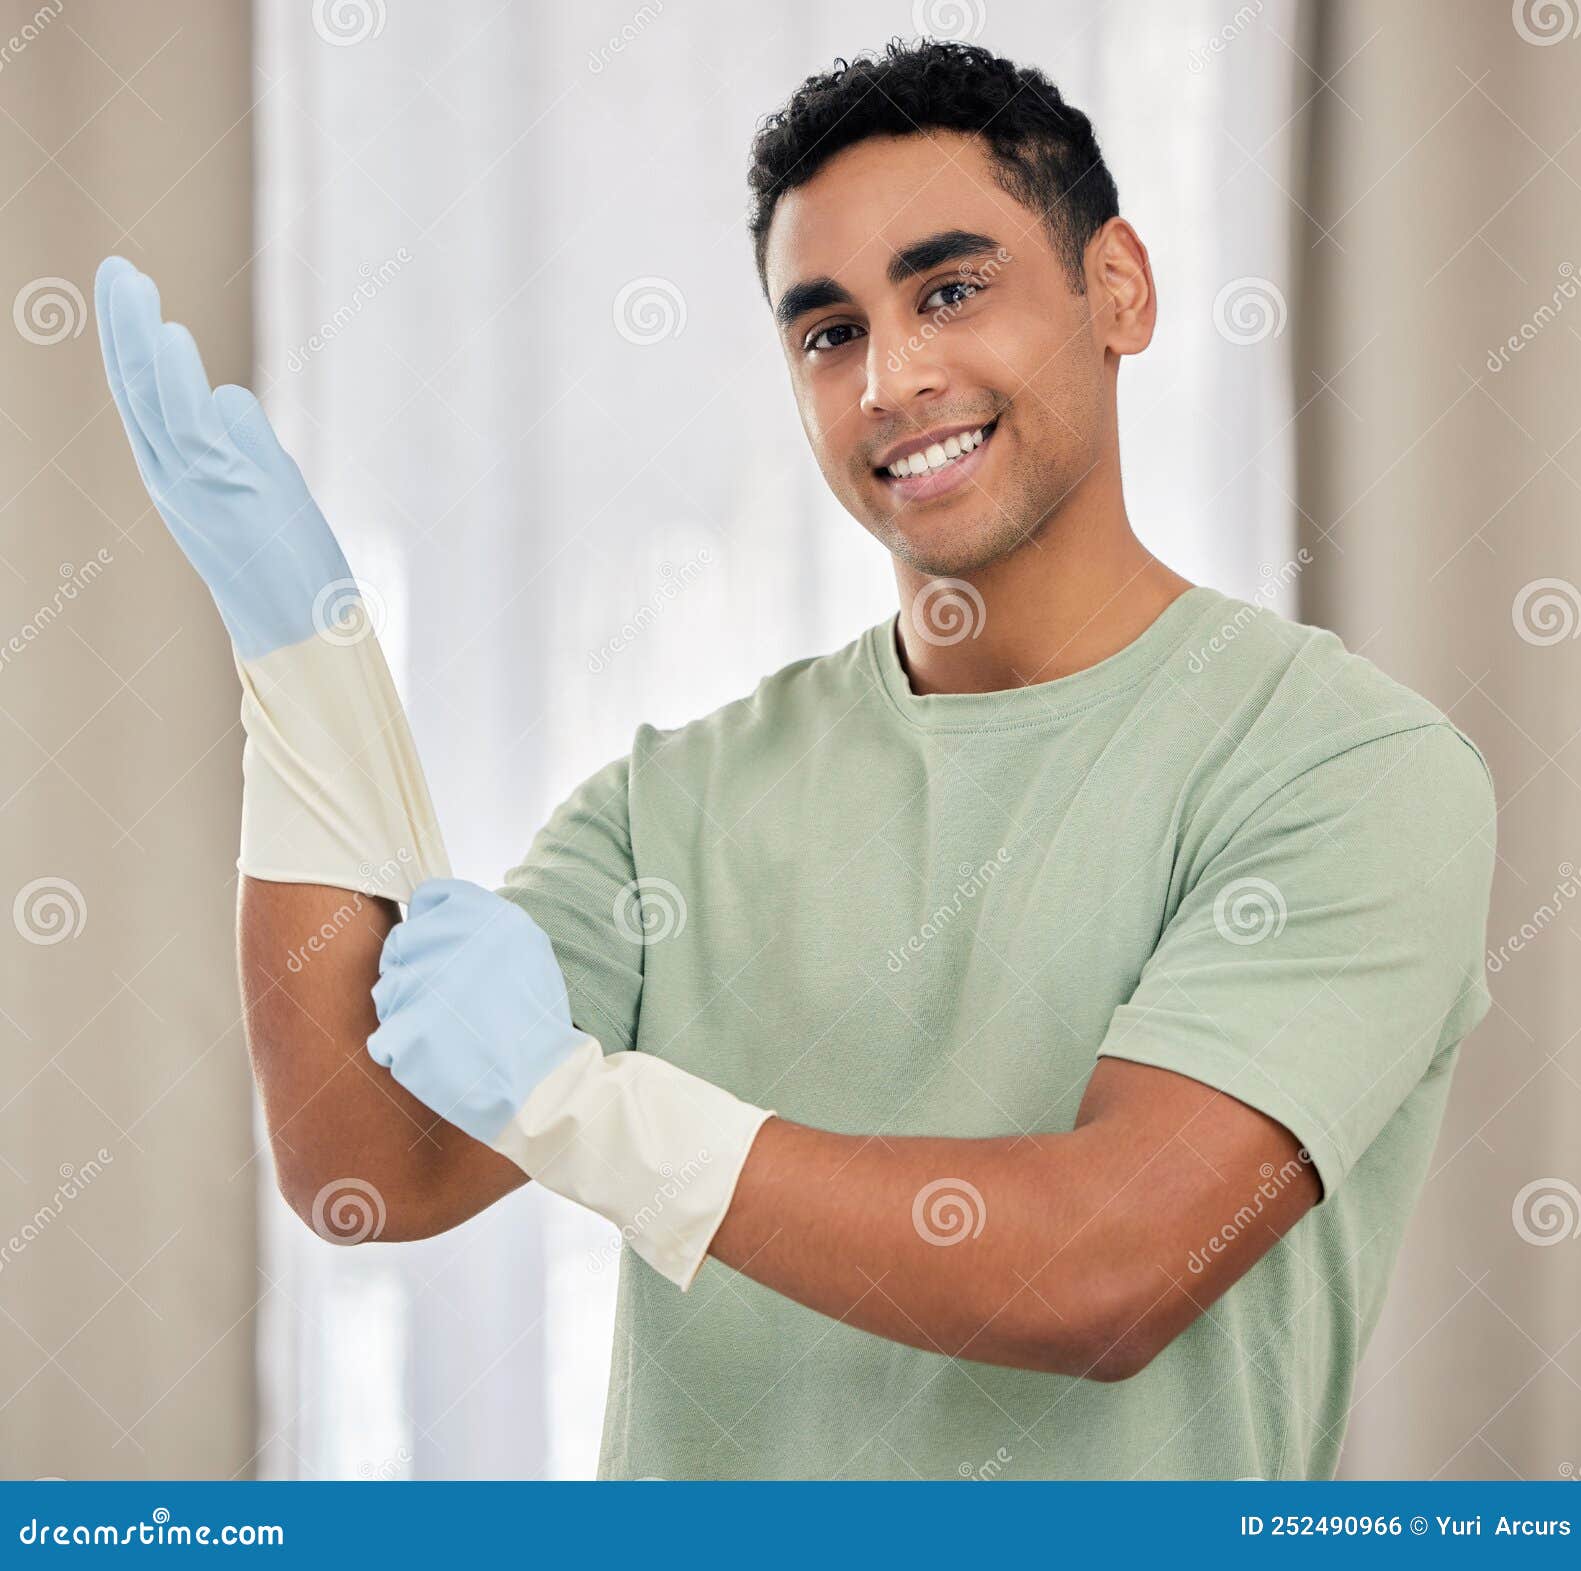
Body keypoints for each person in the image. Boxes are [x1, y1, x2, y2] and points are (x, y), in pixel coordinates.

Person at [95, 38, 1496, 1481]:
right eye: (828, 331)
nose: (893, 377)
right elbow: (368, 1171)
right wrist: (303, 670)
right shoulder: (672, 806)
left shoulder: (1349, 773)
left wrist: (582, 1108)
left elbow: (1107, 1270)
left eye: (951, 289)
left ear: (1117, 289)